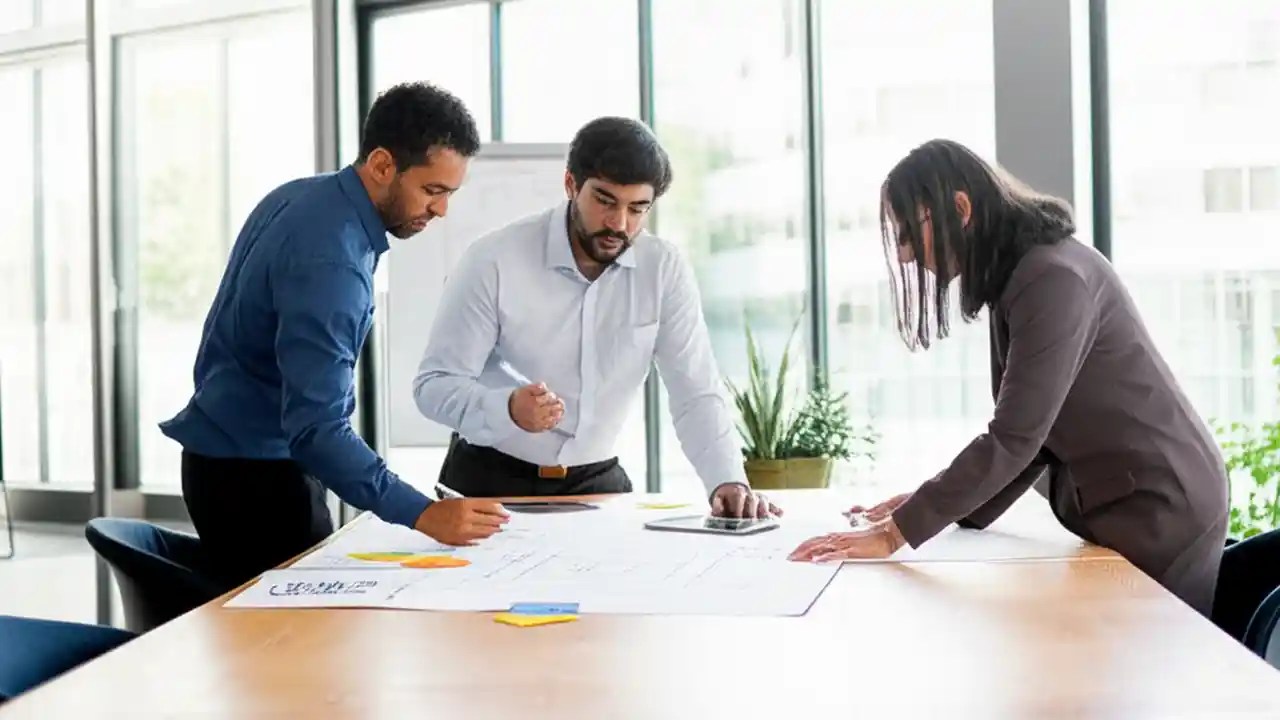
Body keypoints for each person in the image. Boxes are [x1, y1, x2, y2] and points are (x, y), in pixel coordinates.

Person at [788, 139, 1229, 617]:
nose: (906, 256)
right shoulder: (1024, 275)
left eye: (910, 234)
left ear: (961, 209)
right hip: (1141, 501)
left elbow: (1015, 438)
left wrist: (897, 532)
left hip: (1163, 509)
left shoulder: (1051, 279)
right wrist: (931, 507)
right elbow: (1033, 436)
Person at [160, 82, 510, 590]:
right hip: (259, 487)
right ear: (383, 165)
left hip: (222, 463)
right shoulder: (333, 261)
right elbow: (318, 430)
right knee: (305, 637)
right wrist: (422, 513)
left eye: (449, 194)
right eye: (433, 190)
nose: (441, 211)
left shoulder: (300, 196)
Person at [413, 116, 779, 519]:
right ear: (571, 184)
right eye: (605, 201)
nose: (619, 224)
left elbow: (694, 391)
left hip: (597, 486)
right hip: (487, 481)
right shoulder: (493, 260)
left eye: (637, 208)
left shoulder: (663, 269)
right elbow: (435, 385)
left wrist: (727, 479)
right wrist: (507, 409)